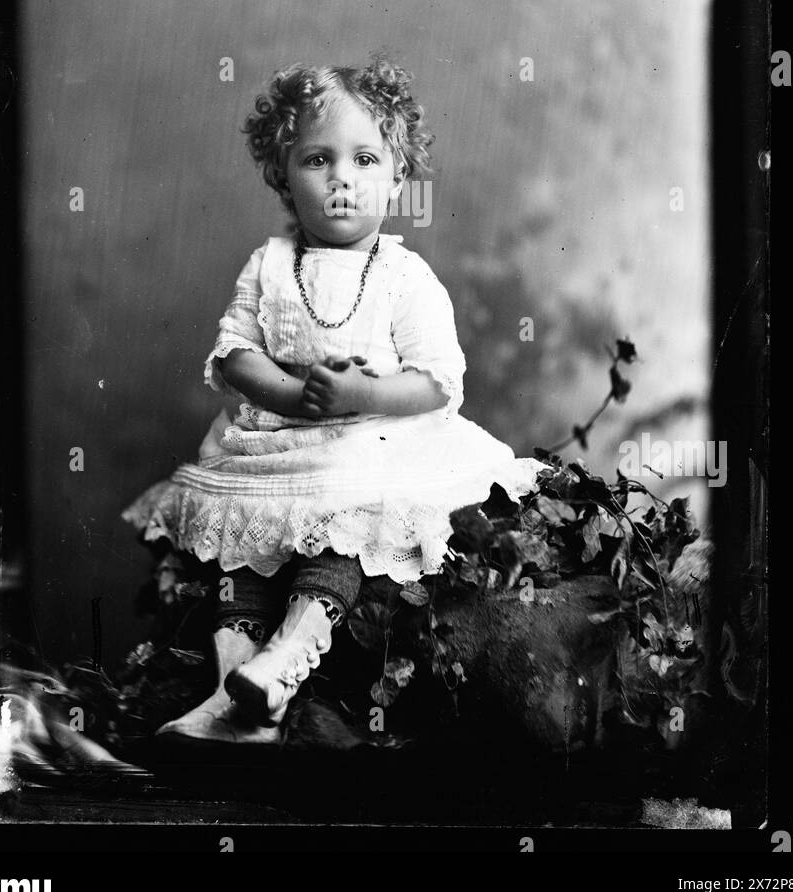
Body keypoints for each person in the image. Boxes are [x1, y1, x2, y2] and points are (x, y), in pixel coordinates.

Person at [122, 54, 540, 743]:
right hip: (279, 445)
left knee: (346, 526)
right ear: (282, 176)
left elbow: (438, 380)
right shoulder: (270, 265)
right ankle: (237, 686)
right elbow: (233, 352)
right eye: (318, 159)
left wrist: (359, 392)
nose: (343, 178)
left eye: (366, 160)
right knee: (240, 551)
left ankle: (289, 655)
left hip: (369, 446)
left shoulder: (406, 276)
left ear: (398, 175)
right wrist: (293, 395)